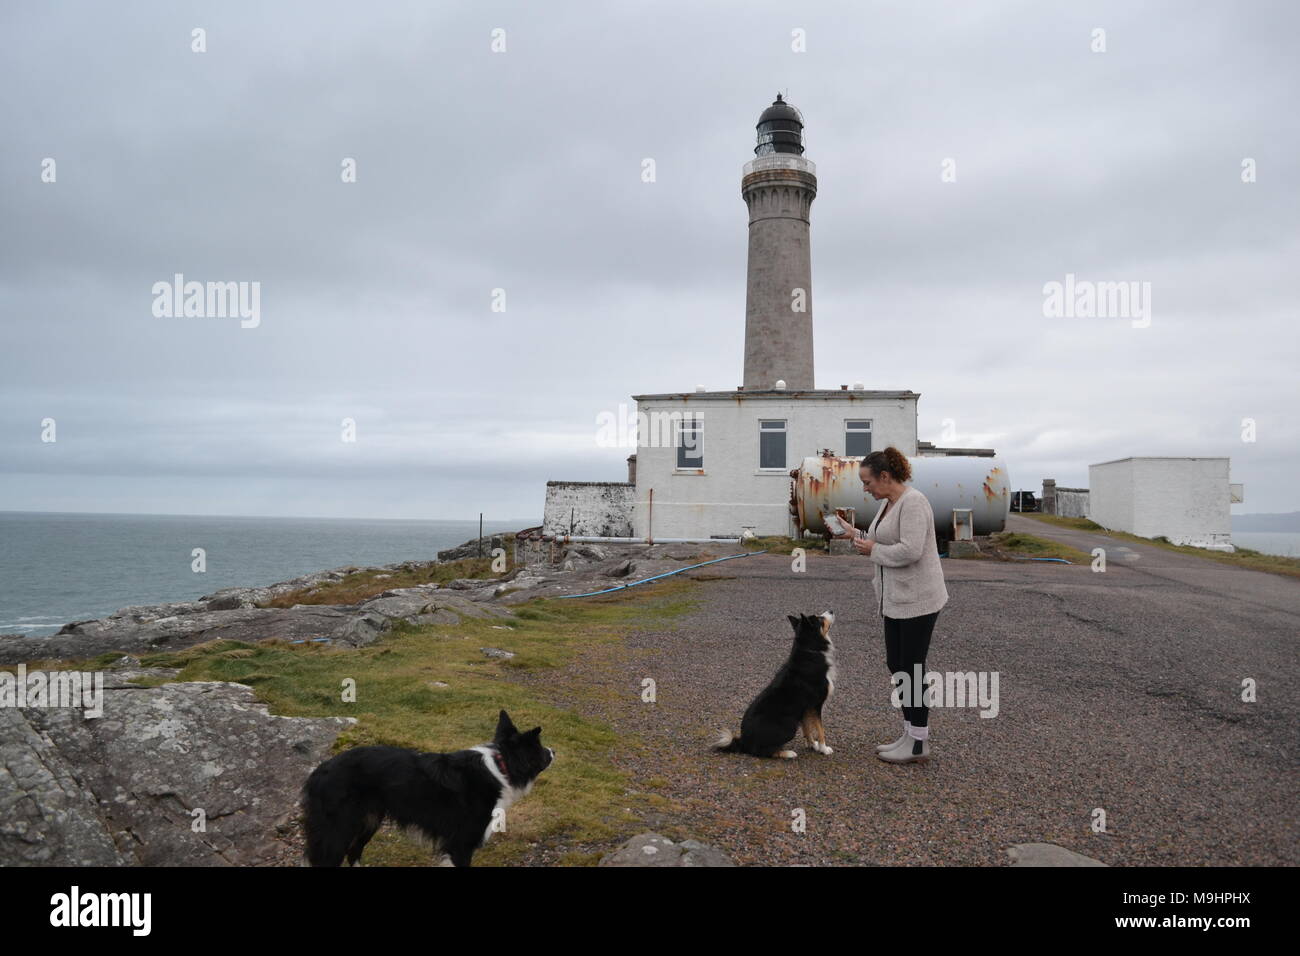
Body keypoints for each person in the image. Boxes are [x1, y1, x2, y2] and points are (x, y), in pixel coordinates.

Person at [834, 446, 948, 764]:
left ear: (885, 476)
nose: (865, 488)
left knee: (911, 669)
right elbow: (880, 540)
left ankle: (919, 743)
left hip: (918, 600)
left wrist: (871, 551)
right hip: (895, 600)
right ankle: (909, 732)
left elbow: (910, 550)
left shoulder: (914, 502)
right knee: (896, 665)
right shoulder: (888, 503)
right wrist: (853, 533)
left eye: (867, 482)